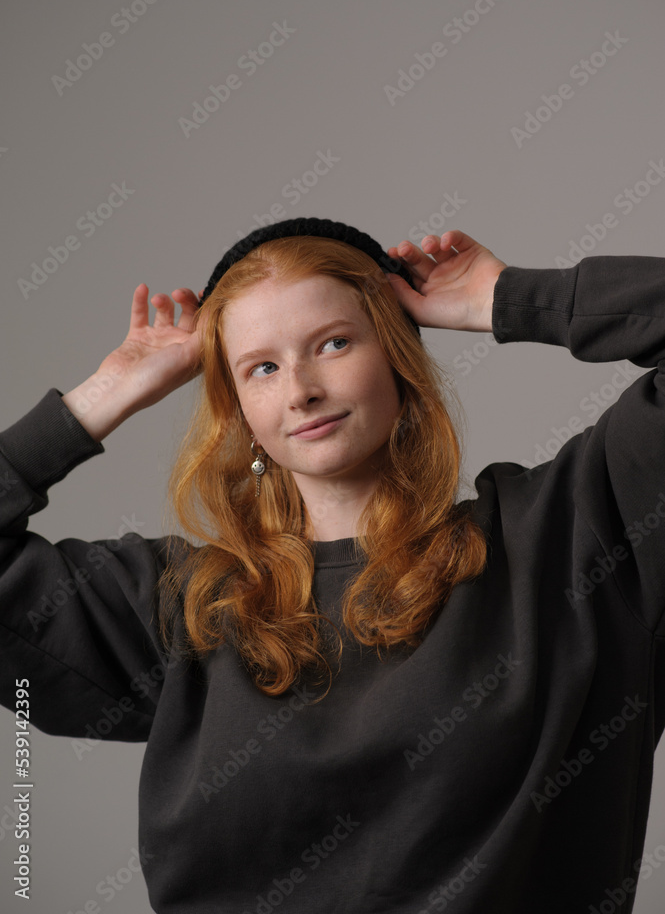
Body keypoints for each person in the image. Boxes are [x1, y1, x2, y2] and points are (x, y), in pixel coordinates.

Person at [0, 215, 664, 914]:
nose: (300, 390)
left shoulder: (571, 538)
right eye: (261, 368)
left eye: (334, 343)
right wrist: (106, 393)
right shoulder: (184, 606)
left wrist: (505, 298)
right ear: (238, 412)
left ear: (399, 358)